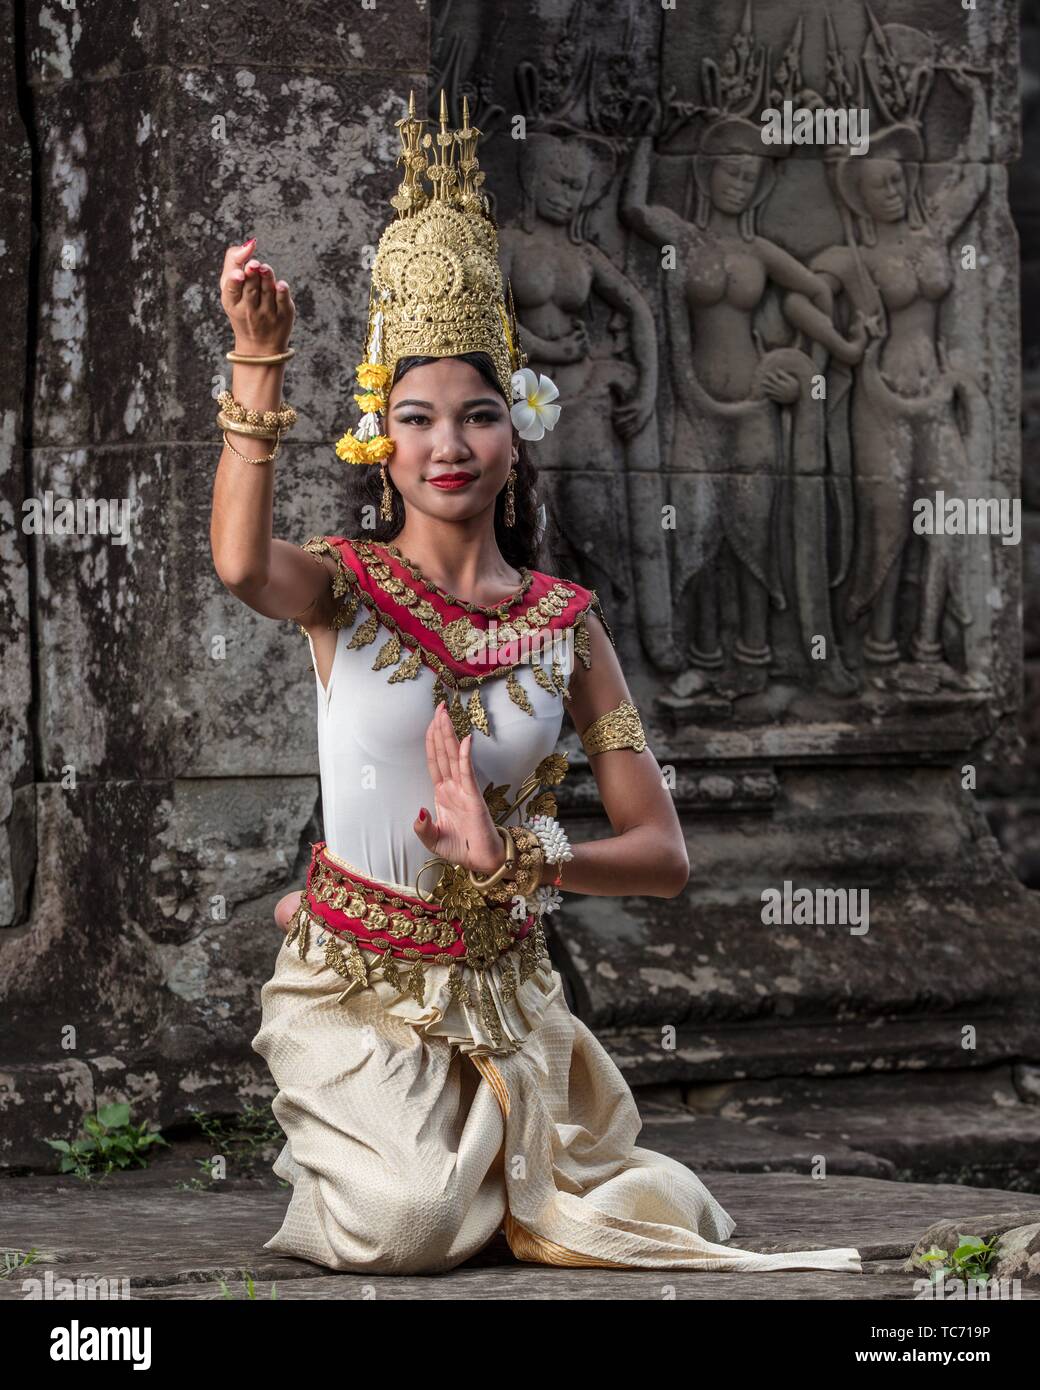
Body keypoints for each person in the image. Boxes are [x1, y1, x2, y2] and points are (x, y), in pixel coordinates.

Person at [209, 89, 863, 1278]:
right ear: (381, 439)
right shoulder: (341, 592)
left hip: (503, 990)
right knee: (411, 1229)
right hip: (353, 985)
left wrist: (518, 858)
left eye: (475, 415)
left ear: (518, 434)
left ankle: (447, 1142)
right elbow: (240, 562)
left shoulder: (565, 629)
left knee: (647, 1213)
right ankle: (335, 1142)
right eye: (415, 417)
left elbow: (660, 853)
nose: (446, 442)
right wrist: (258, 366)